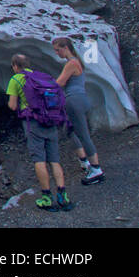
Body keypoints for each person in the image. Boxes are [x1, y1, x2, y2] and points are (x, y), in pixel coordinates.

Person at [7, 54, 71, 211]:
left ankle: (46, 197)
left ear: (15, 66)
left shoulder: (15, 79)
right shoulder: (42, 77)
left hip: (33, 123)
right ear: (28, 64)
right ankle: (63, 196)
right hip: (50, 121)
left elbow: (12, 105)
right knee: (54, 160)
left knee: (39, 160)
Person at [52, 38, 105, 184]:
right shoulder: (76, 61)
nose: (56, 53)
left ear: (66, 48)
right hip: (79, 99)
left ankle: (96, 170)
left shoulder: (71, 63)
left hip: (74, 101)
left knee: (83, 135)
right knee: (69, 130)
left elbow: (60, 83)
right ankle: (85, 162)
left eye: (58, 49)